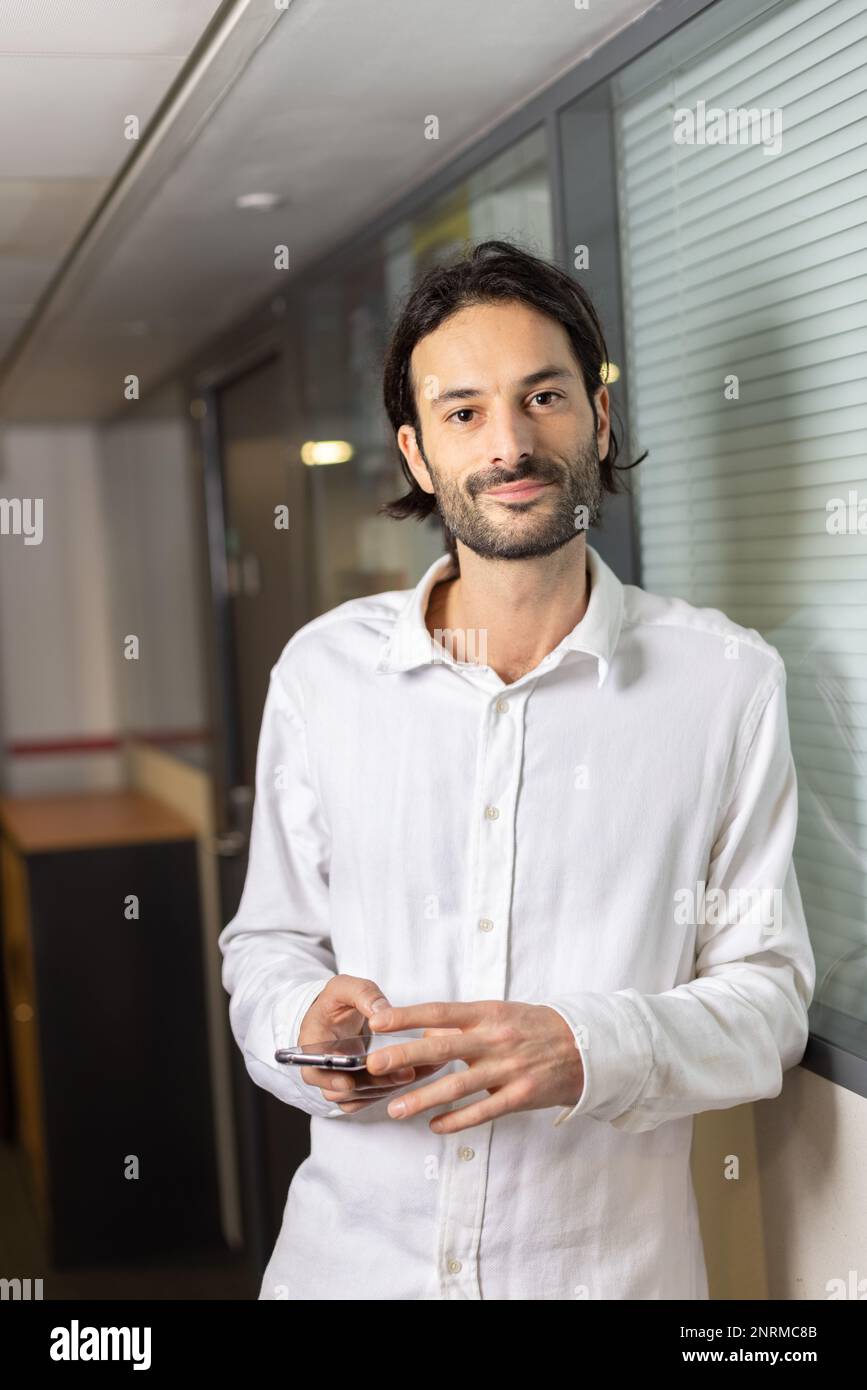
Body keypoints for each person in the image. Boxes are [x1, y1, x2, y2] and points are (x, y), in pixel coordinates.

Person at [218, 239, 816, 1300]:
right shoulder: (321, 674)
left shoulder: (727, 682)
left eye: (543, 396)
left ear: (599, 415)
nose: (510, 443)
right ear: (415, 453)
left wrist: (592, 1047)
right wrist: (299, 1025)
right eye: (464, 412)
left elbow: (769, 1000)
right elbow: (267, 943)